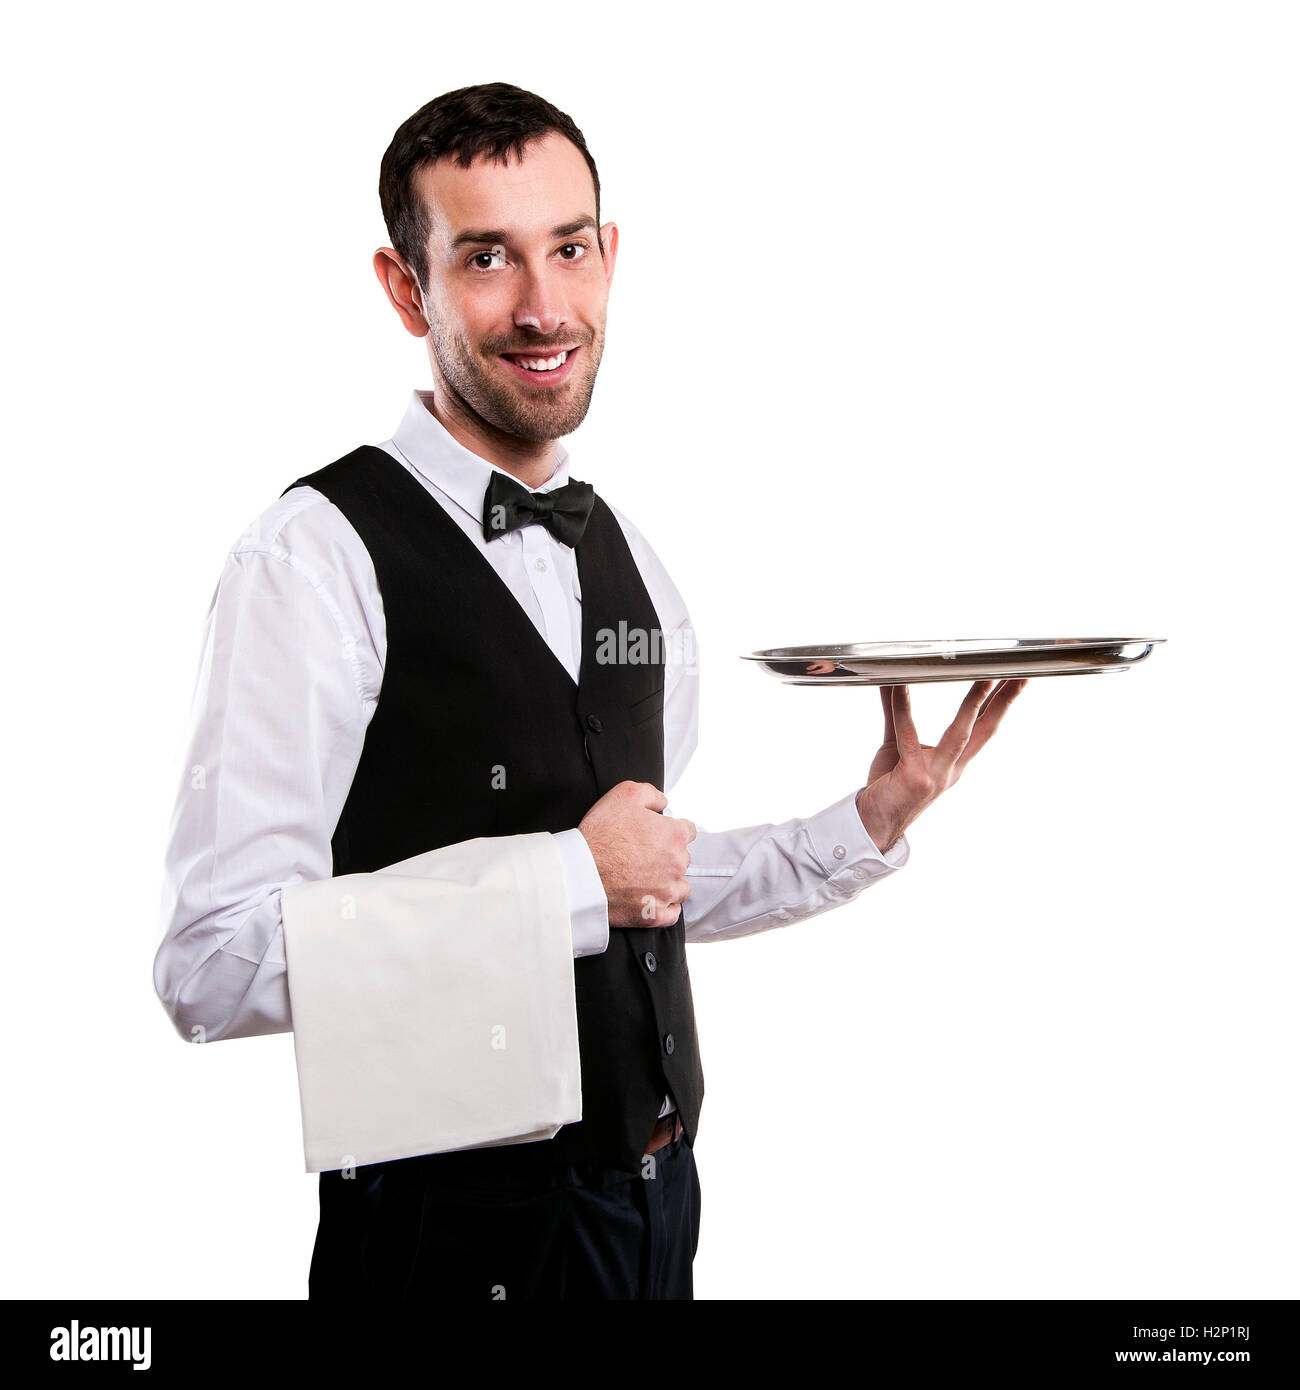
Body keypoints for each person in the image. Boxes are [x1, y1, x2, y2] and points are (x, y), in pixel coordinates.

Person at [153, 81, 1027, 1301]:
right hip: (446, 1243)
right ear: (407, 289)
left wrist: (869, 820)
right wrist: (571, 876)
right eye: (485, 259)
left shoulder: (635, 564)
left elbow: (647, 879)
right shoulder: (312, 556)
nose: (542, 305)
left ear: (610, 256)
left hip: (659, 1211)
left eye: (567, 247)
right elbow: (209, 964)